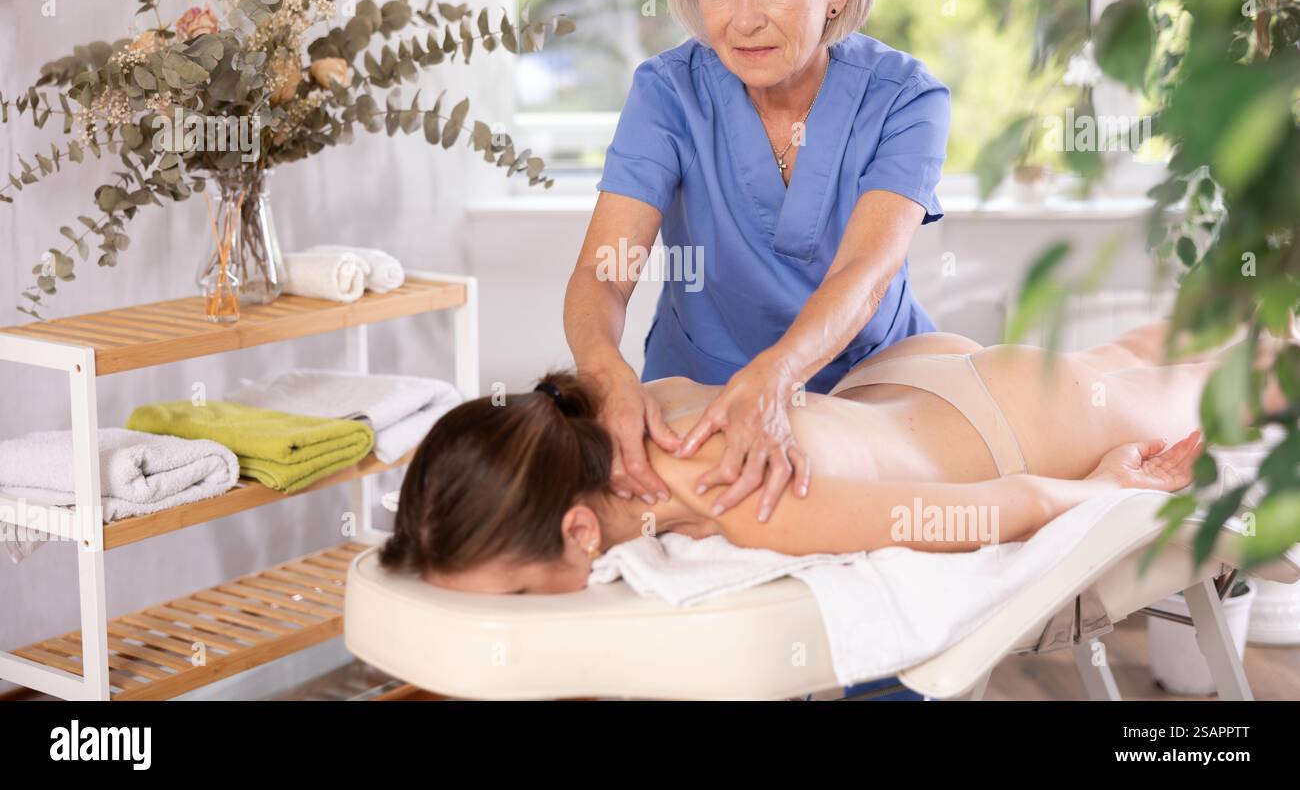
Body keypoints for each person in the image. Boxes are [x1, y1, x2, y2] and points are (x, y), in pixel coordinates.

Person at [564, 0, 950, 527]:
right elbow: (605, 271)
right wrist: (604, 372)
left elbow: (865, 274)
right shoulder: (669, 93)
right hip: (699, 390)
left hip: (875, 393)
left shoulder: (905, 98)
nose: (741, 20)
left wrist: (775, 380)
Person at [380, 319, 1293, 594]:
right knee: (1144, 353)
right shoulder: (625, 413)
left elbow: (980, 512)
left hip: (1012, 425)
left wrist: (1092, 492)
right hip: (901, 388)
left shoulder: (743, 495)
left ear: (579, 528)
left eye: (519, 598)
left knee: (1257, 372)